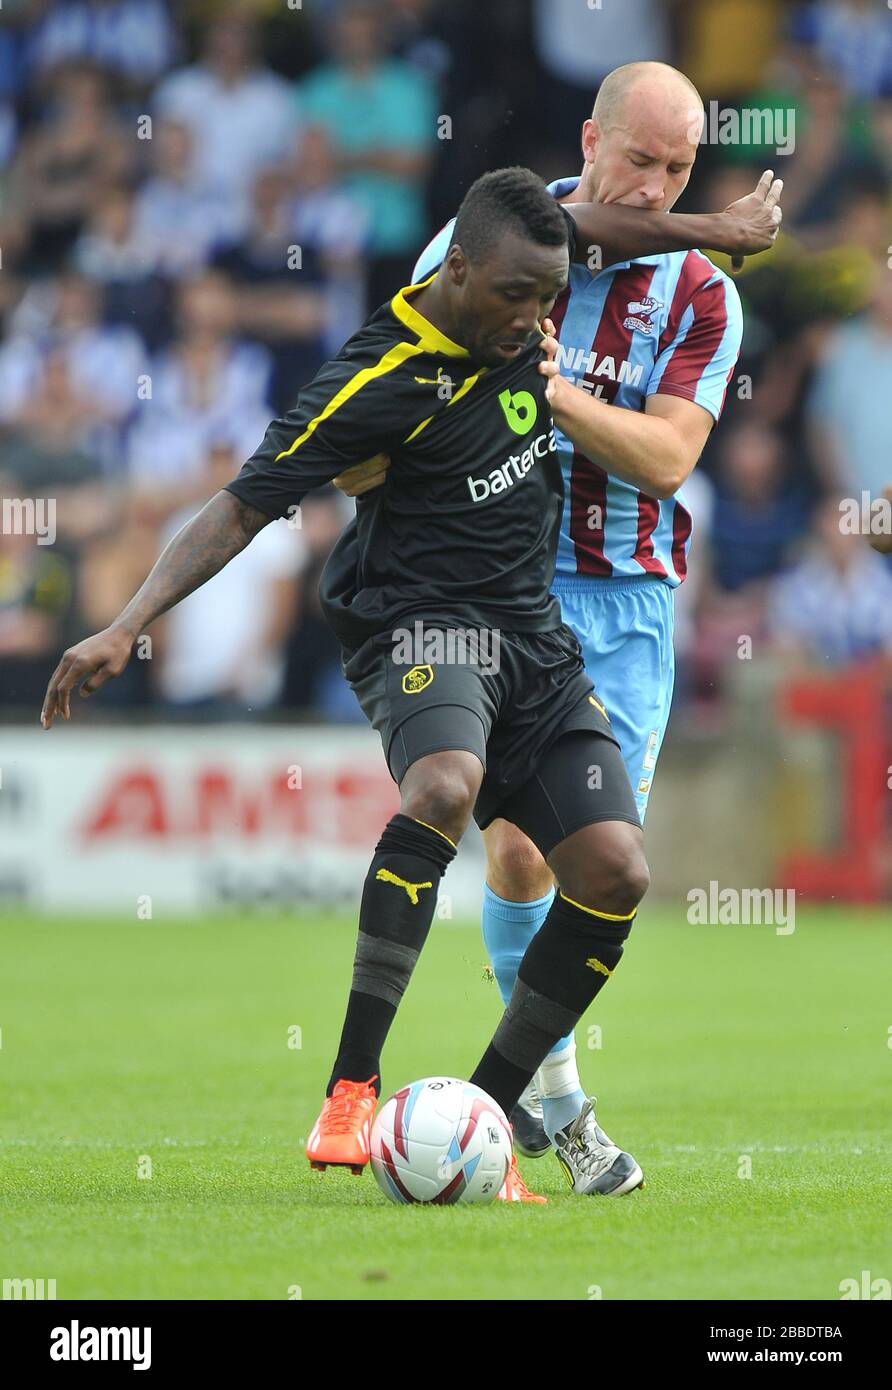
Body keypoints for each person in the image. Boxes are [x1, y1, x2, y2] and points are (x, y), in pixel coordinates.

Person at [41, 167, 781, 1203]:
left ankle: (482, 1109)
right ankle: (349, 1086)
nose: (533, 321)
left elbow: (587, 225)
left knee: (615, 871)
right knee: (443, 785)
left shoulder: (526, 275)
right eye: (514, 298)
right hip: (419, 626)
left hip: (535, 639)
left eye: (547, 299)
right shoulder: (373, 377)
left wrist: (722, 229)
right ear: (457, 268)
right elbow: (241, 504)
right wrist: (126, 623)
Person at [344, 62, 782, 1184]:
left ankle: (519, 1101)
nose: (654, 187)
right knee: (518, 843)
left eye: (678, 169)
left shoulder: (699, 294)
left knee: (603, 867)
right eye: (638, 159)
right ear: (590, 138)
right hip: (494, 587)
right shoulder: (492, 235)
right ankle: (549, 1107)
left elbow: (671, 454)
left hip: (624, 599)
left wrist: (556, 393)